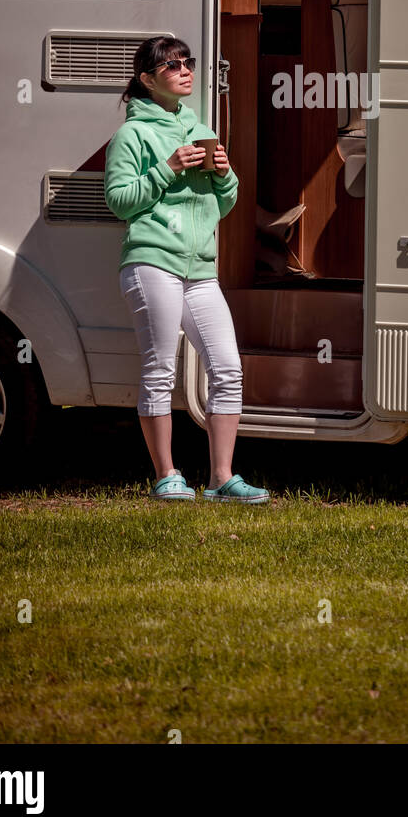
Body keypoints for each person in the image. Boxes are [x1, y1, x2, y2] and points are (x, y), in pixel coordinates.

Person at [104, 34, 269, 504]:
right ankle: (167, 475)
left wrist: (224, 173)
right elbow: (119, 202)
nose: (184, 70)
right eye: (171, 65)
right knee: (160, 368)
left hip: (200, 266)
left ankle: (221, 478)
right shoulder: (132, 135)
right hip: (152, 260)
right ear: (146, 79)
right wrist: (169, 168)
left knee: (228, 366)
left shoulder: (200, 127)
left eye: (187, 62)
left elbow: (227, 202)